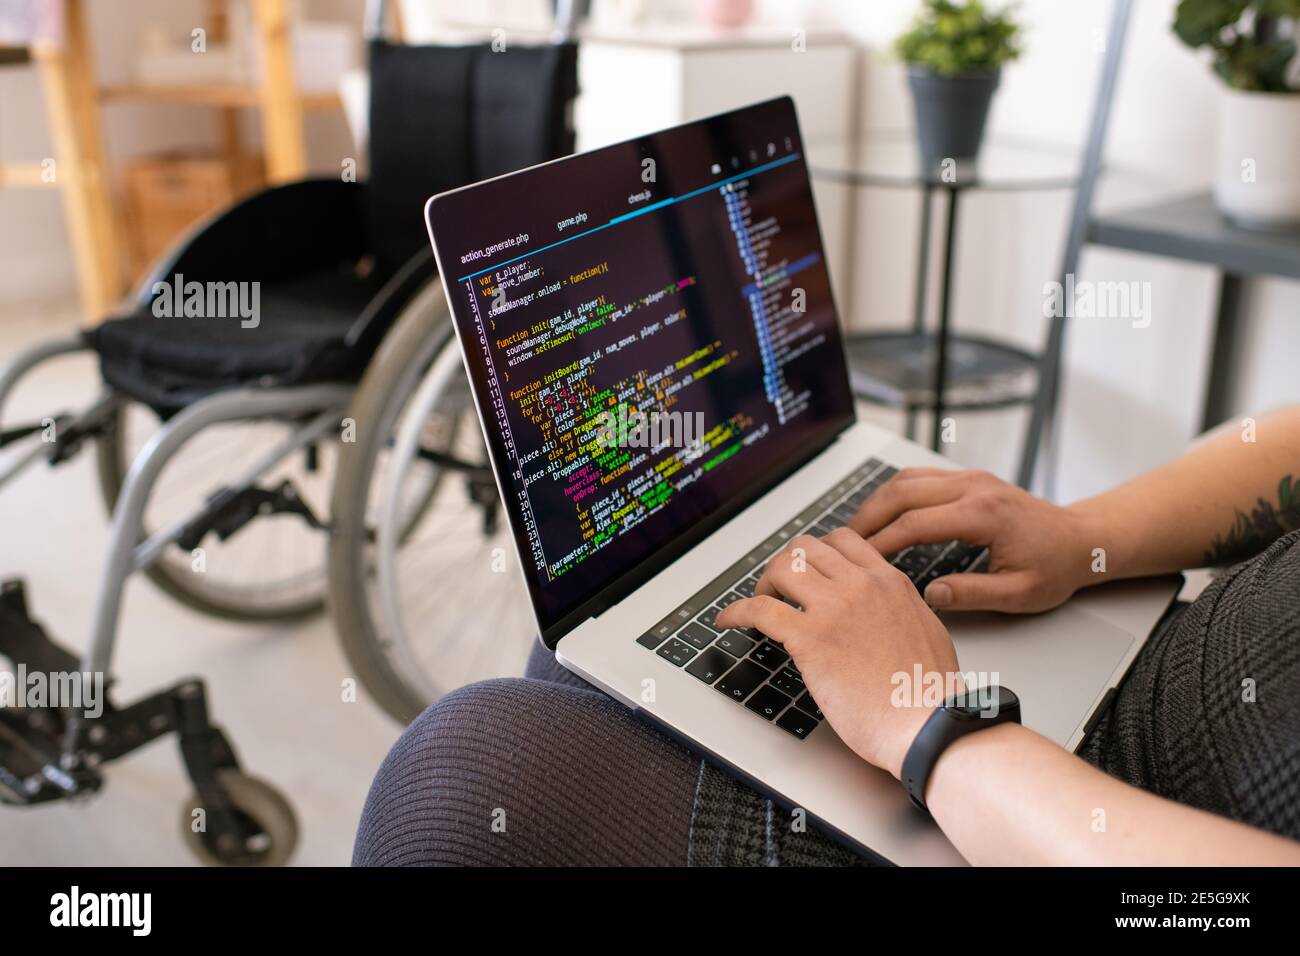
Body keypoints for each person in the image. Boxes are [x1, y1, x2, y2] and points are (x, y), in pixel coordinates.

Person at [353, 407, 1300, 866]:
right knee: (597, 651)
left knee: (464, 777)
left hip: (1070, 825)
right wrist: (1087, 539)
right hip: (1141, 666)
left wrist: (932, 725)